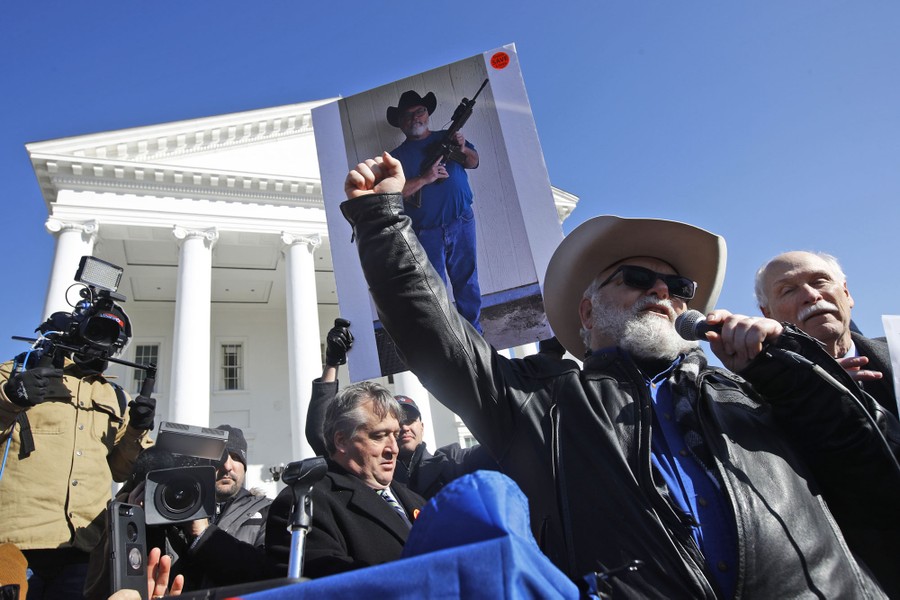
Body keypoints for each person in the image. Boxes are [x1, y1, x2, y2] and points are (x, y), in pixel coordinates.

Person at [339, 152, 900, 598]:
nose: (661, 291)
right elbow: (432, 330)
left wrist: (790, 370)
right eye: (635, 278)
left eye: (678, 287)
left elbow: (873, 474)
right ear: (587, 313)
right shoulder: (539, 404)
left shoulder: (758, 391)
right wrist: (382, 218)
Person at [0, 306, 155, 600]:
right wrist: (10, 398)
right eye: (96, 330)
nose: (103, 343)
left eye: (114, 338)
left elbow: (120, 471)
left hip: (85, 549)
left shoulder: (117, 397)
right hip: (15, 544)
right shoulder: (18, 371)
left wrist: (135, 430)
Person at [306, 319, 496, 499]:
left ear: (422, 426)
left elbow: (502, 441)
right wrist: (333, 362)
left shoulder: (452, 461)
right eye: (397, 425)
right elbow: (322, 433)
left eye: (411, 419)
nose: (405, 427)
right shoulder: (369, 470)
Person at [268, 381, 425, 578]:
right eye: (379, 436)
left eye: (395, 435)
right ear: (341, 441)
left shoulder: (416, 500)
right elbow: (328, 584)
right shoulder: (304, 502)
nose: (393, 449)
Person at [755, 250, 897, 417]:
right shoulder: (761, 397)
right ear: (768, 314)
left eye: (819, 281)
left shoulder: (894, 350)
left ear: (846, 293)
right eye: (788, 290)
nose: (811, 295)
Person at [387, 89, 482, 332]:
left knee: (467, 281)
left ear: (427, 114)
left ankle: (475, 333)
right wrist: (424, 178)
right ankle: (449, 336)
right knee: (434, 288)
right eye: (407, 115)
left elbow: (473, 162)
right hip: (425, 232)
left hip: (461, 221)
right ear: (400, 123)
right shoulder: (395, 158)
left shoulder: (448, 138)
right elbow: (392, 194)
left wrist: (463, 148)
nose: (415, 118)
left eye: (419, 111)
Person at [168, 425, 272, 591]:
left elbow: (266, 574)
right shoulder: (172, 507)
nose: (227, 466)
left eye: (236, 457)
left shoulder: (268, 511)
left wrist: (203, 534)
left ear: (245, 466)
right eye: (219, 457)